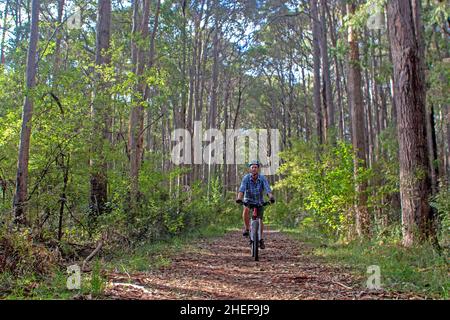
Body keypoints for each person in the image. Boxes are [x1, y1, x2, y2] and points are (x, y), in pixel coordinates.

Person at [236, 160, 275, 249]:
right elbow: (241, 190)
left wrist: (271, 197)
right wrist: (239, 198)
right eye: (252, 167)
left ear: (258, 169)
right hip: (248, 200)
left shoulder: (262, 178)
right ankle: (246, 228)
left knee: (260, 219)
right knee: (246, 209)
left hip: (259, 201)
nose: (254, 169)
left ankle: (260, 239)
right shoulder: (246, 178)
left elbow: (267, 189)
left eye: (256, 167)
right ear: (250, 169)